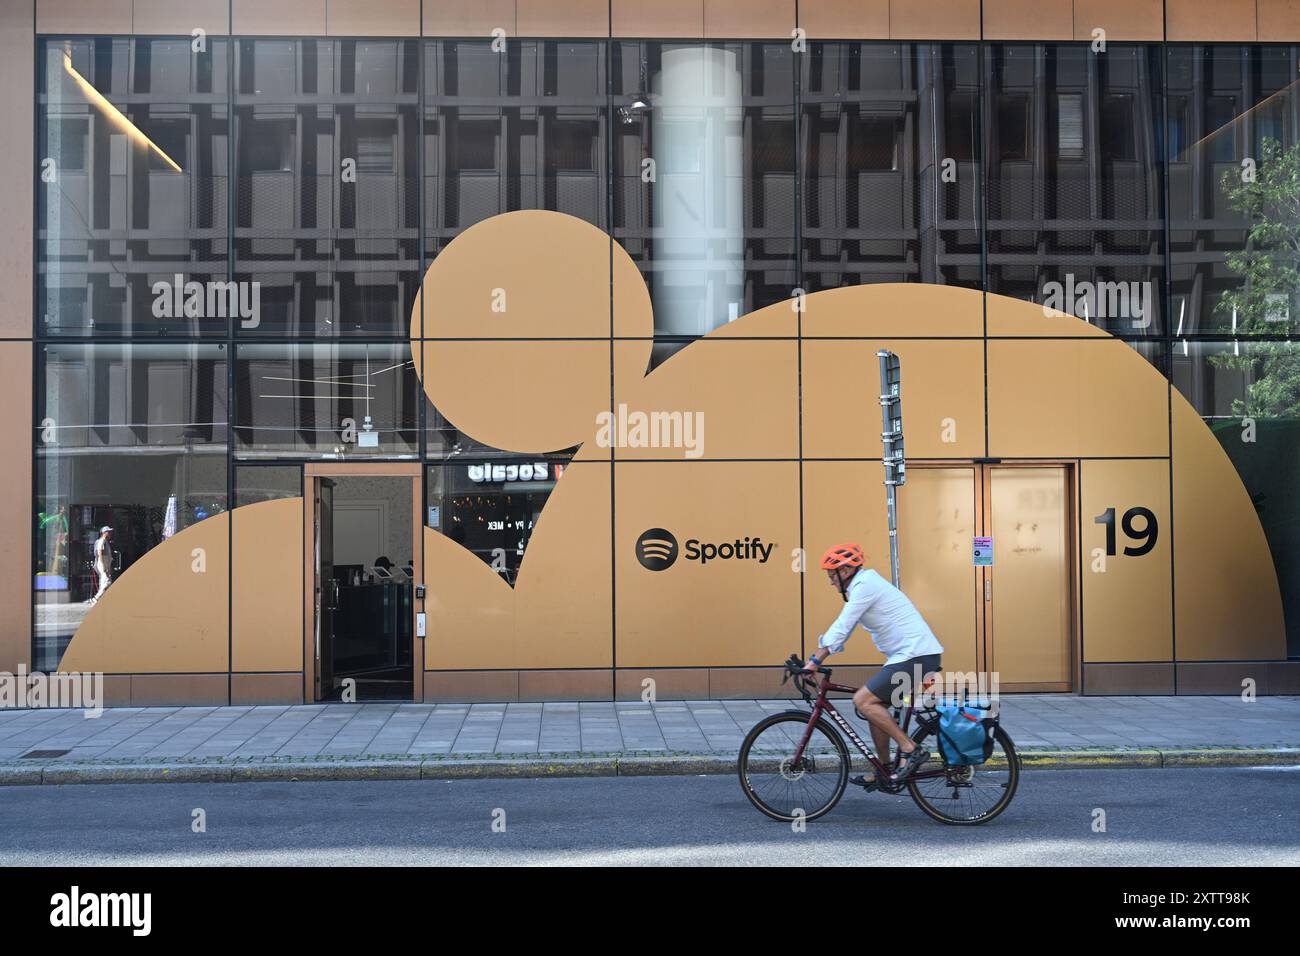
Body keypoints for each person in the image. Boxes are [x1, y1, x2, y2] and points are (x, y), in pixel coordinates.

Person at [803, 542, 943, 789]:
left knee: (863, 700)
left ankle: (911, 749)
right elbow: (846, 629)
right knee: (873, 706)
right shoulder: (863, 586)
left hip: (916, 655)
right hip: (912, 655)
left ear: (845, 571)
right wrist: (820, 657)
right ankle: (884, 769)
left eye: (831, 575)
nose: (831, 582)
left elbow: (844, 624)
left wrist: (815, 660)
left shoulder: (865, 585)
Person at [89, 526, 114, 606]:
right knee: (107, 581)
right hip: (102, 564)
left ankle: (102, 600)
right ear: (104, 533)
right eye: (108, 532)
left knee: (103, 582)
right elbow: (99, 552)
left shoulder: (105, 541)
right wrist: (102, 566)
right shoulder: (101, 541)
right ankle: (96, 598)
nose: (110, 533)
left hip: (105, 564)